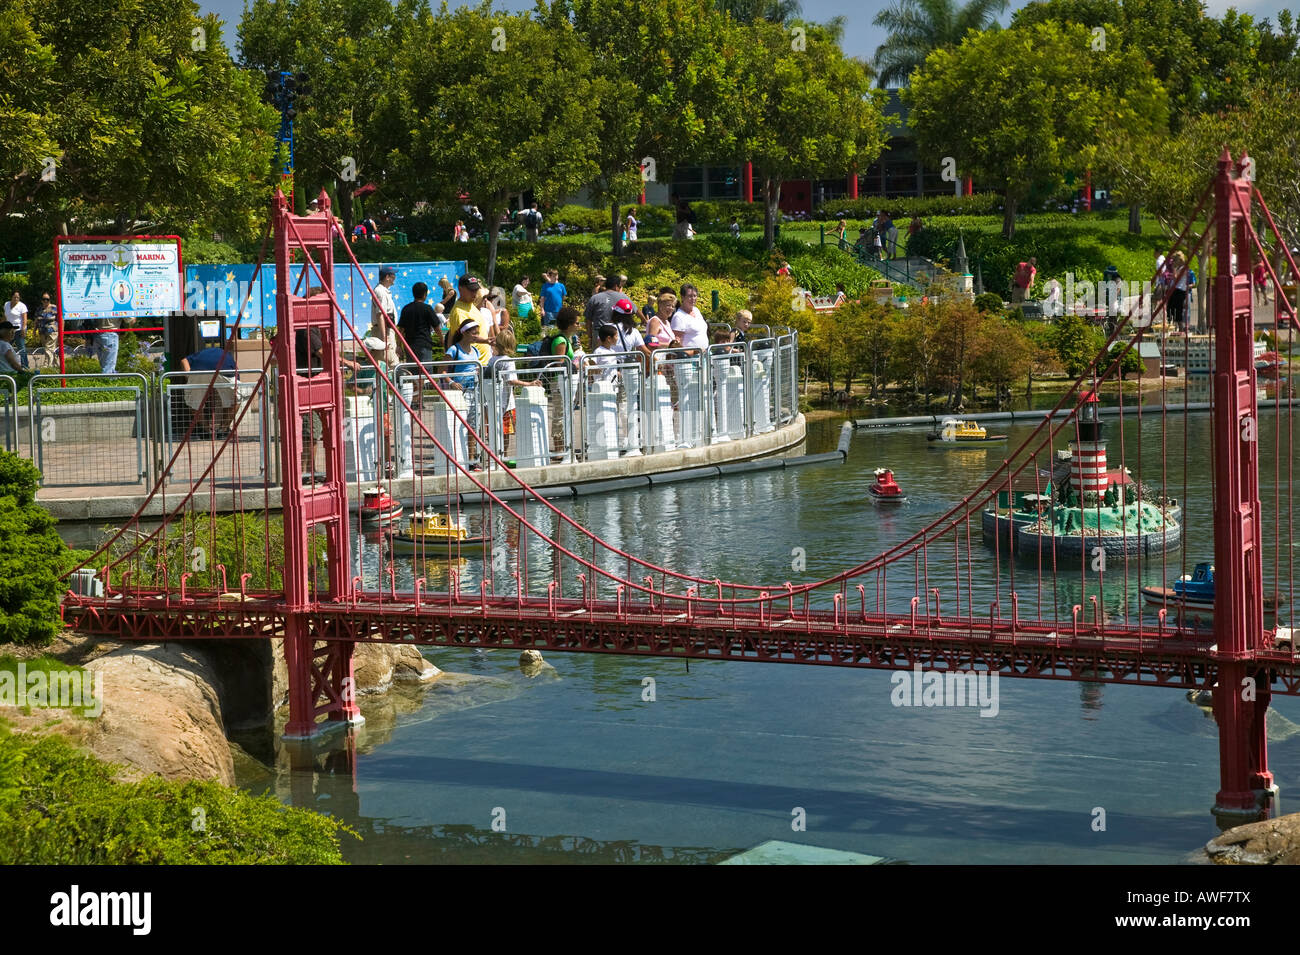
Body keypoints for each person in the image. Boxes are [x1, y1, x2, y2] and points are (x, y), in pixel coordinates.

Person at [443, 318, 488, 469]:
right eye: (474, 333)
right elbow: (442, 371)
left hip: (474, 391)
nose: (476, 336)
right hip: (461, 393)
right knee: (460, 425)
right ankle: (459, 457)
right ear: (465, 333)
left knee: (473, 427)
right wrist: (451, 383)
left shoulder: (475, 350)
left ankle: (471, 460)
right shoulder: (454, 350)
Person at [487, 327, 526, 455]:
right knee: (506, 432)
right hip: (506, 402)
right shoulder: (508, 361)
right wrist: (528, 383)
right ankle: (503, 454)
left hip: (493, 399)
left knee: (494, 429)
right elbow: (511, 380)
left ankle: (495, 453)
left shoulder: (492, 360)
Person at [398, 281, 440, 364]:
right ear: (425, 294)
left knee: (412, 373)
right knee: (425, 371)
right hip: (424, 344)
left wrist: (399, 345)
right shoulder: (427, 308)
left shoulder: (406, 309)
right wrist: (441, 341)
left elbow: (401, 330)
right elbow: (437, 327)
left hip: (409, 346)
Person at [585, 273, 627, 348]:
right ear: (616, 286)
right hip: (613, 332)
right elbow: (634, 310)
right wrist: (645, 321)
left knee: (599, 356)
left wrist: (590, 337)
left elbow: (588, 319)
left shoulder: (594, 298)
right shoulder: (622, 296)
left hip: (602, 331)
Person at [444, 274, 487, 346]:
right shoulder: (459, 312)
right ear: (460, 289)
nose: (474, 293)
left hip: (480, 356)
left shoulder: (470, 304)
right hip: (471, 357)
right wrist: (487, 341)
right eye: (471, 290)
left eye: (476, 290)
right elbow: (469, 338)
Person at [369, 266, 400, 367]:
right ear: (387, 277)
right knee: (392, 362)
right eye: (393, 275)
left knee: (387, 361)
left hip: (386, 329)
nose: (394, 277)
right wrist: (384, 337)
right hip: (384, 330)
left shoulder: (384, 291)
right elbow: (380, 314)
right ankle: (393, 382)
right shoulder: (381, 291)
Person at [671, 283, 708, 354]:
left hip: (704, 354)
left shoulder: (696, 310)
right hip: (690, 358)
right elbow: (676, 343)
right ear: (682, 297)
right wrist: (691, 353)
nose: (693, 299)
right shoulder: (679, 316)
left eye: (695, 296)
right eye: (690, 296)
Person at [1166, 252, 1189, 331]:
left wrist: (1174, 269)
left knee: (1178, 310)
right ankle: (1172, 325)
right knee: (1170, 308)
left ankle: (1181, 329)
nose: (1173, 262)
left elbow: (1176, 278)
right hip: (1175, 290)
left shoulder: (1183, 268)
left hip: (1179, 290)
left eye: (1174, 260)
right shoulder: (1179, 268)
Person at [4, 292, 27, 369]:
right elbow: (5, 316)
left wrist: (23, 329)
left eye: (18, 297)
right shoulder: (6, 304)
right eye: (15, 297)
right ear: (11, 297)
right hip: (8, 330)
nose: (16, 299)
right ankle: (7, 365)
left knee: (21, 348)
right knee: (6, 347)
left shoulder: (22, 306)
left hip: (19, 329)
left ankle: (25, 366)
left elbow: (24, 319)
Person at [36, 292, 57, 368]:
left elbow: (60, 319)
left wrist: (62, 331)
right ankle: (55, 364)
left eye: (47, 299)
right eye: (44, 299)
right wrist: (34, 330)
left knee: (48, 348)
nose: (45, 301)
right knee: (49, 348)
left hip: (52, 331)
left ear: (49, 300)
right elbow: (36, 320)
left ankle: (47, 365)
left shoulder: (54, 308)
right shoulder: (39, 309)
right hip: (42, 331)